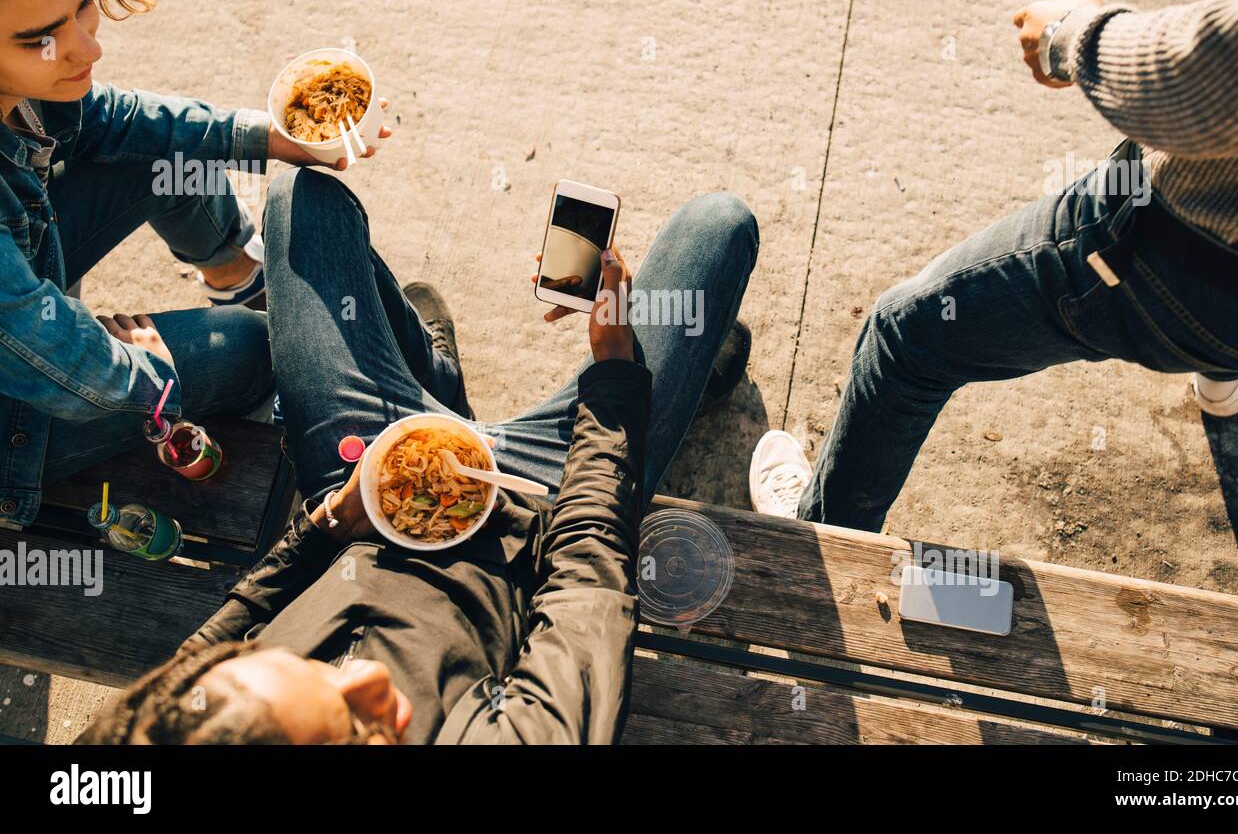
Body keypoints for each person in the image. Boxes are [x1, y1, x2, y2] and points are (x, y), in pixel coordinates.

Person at [78, 167, 760, 744]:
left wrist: (323, 528)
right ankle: (677, 378)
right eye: (356, 727)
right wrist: (615, 377)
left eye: (314, 666)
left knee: (302, 199)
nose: (370, 677)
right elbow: (586, 577)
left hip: (365, 497)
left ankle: (437, 384)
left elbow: (208, 646)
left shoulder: (171, 730)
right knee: (718, 227)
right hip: (540, 517)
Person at [749, 0, 1238, 527]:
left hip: (1178, 256)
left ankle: (824, 538)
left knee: (905, 339)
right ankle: (1228, 357)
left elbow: (1214, 87)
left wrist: (1074, 34)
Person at [0, 0, 388, 527]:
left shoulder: (30, 91)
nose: (87, 47)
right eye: (41, 36)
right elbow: (57, 362)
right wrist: (149, 374)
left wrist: (278, 139)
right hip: (15, 420)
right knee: (256, 346)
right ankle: (261, 403)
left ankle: (239, 279)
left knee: (161, 152)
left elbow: (122, 121)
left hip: (23, 300)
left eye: (83, 7)